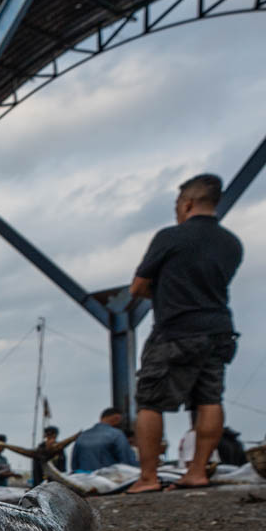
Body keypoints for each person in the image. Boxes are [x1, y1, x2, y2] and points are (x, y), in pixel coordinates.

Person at [128, 173, 243, 493]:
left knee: (150, 401)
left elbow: (138, 286)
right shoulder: (232, 243)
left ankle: (148, 477)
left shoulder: (170, 237)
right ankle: (197, 471)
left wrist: (162, 294)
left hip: (175, 330)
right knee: (209, 398)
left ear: (187, 203)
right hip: (219, 330)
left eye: (178, 204)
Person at [0, 425, 81, 486]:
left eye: (53, 437)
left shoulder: (60, 452)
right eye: (49, 437)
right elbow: (36, 471)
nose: (51, 440)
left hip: (57, 485)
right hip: (41, 484)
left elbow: (62, 469)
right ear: (46, 437)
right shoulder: (40, 451)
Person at [71, 408, 138, 472]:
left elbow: (74, 465)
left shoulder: (82, 436)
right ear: (117, 418)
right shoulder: (116, 434)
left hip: (84, 481)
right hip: (111, 481)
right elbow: (128, 463)